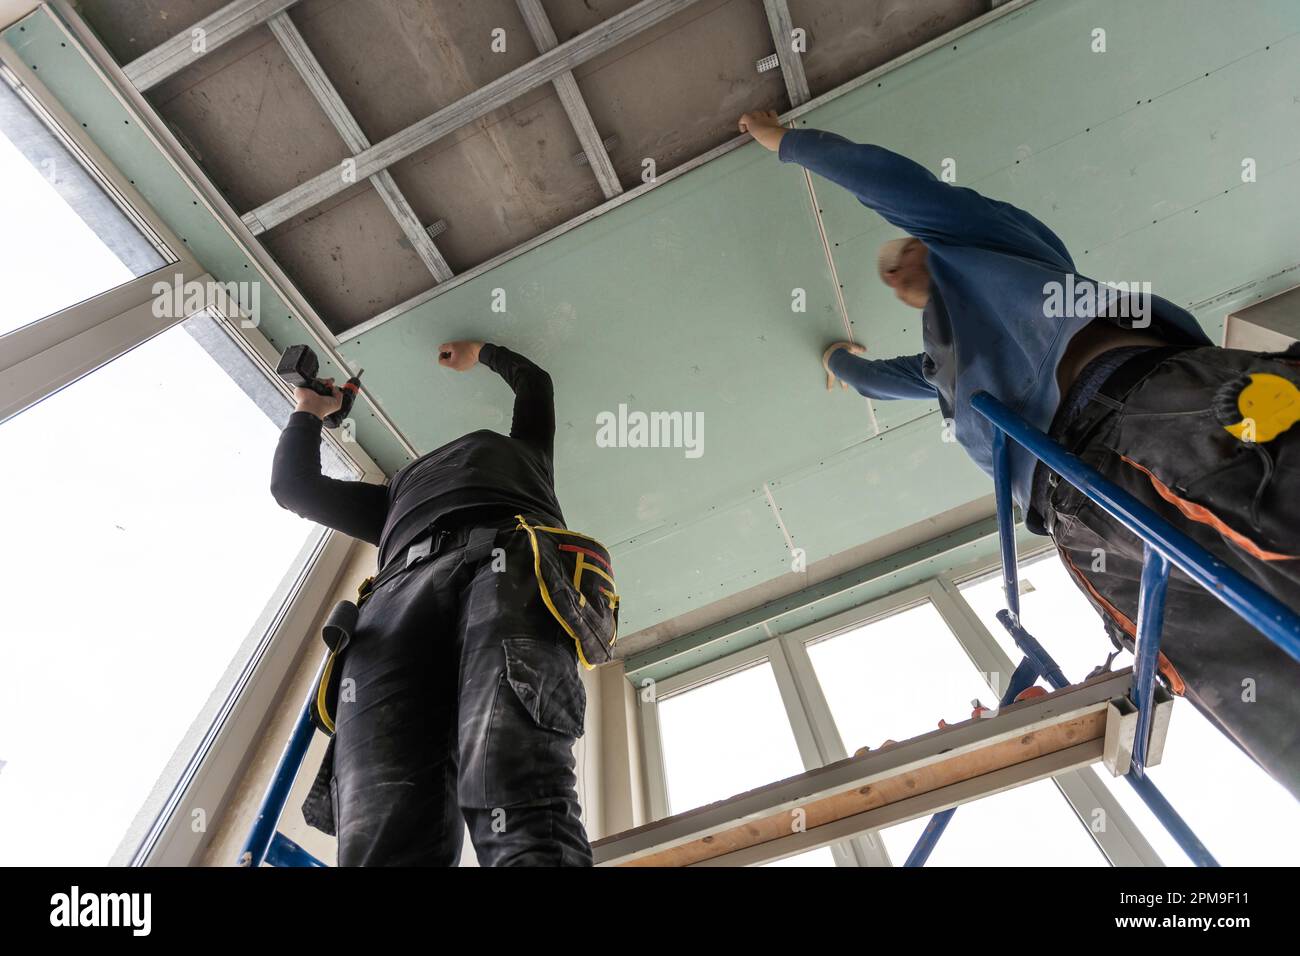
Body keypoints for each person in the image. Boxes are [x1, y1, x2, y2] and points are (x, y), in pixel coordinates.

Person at [738, 110, 1300, 797]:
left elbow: (892, 183)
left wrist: (787, 141)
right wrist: (841, 362)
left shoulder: (992, 247)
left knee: (1274, 496)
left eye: (903, 254)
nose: (896, 272)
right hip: (1082, 514)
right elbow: (890, 382)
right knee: (1249, 676)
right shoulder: (948, 364)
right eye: (891, 273)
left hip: (1137, 412)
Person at [271, 340, 604, 865]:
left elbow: (534, 382)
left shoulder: (529, 452)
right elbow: (294, 488)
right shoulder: (393, 499)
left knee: (511, 783)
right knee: (379, 829)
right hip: (394, 597)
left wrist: (480, 350)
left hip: (507, 555)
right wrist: (310, 408)